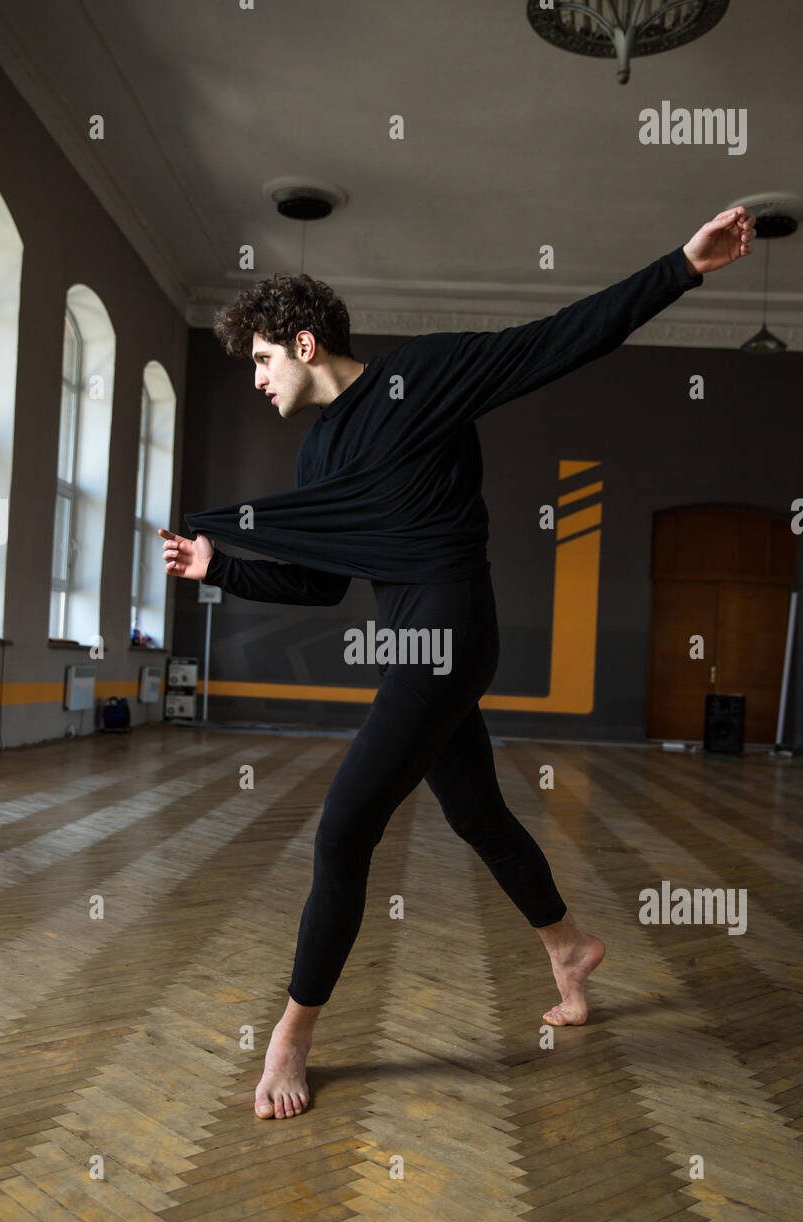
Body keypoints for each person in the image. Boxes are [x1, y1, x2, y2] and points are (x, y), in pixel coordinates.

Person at [160, 207, 756, 1120]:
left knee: (343, 826)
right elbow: (323, 587)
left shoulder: (420, 377)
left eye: (261, 362)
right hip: (405, 644)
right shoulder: (321, 454)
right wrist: (221, 565)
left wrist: (683, 267)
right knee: (476, 809)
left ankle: (292, 1033)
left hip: (450, 630)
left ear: (305, 342)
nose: (255, 381)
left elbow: (557, 341)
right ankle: (567, 945)